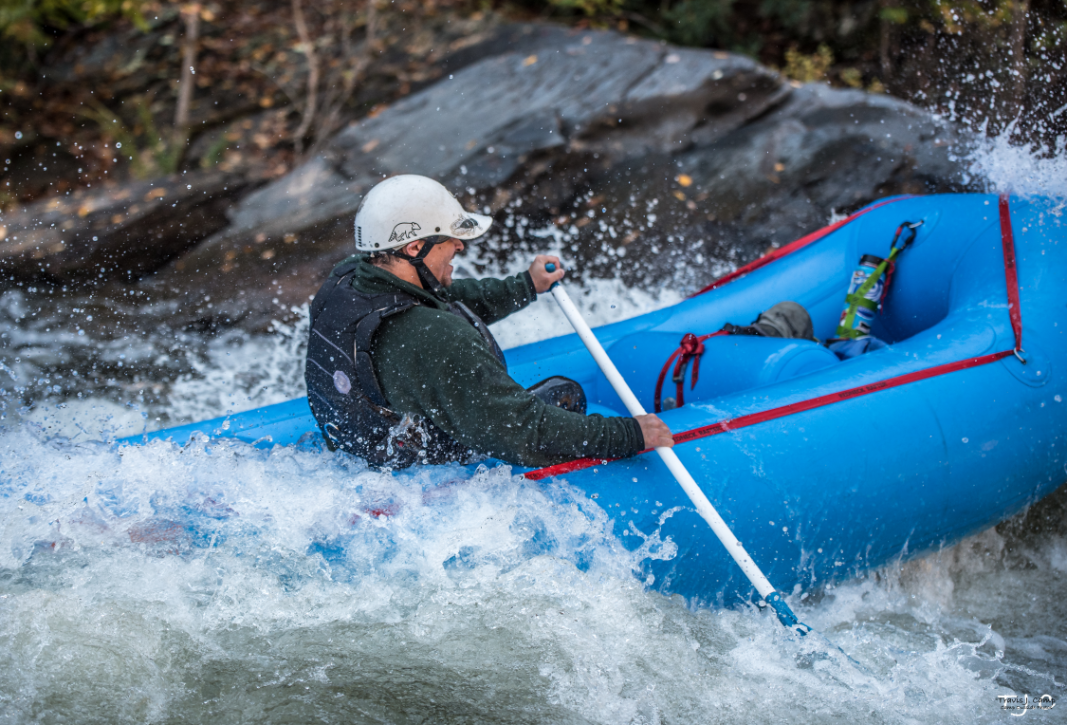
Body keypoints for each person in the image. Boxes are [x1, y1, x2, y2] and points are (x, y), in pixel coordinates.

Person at [305, 174, 674, 469]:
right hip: (426, 476)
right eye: (450, 239)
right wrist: (627, 435)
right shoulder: (433, 337)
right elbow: (524, 432)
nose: (460, 246)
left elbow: (447, 298)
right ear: (415, 248)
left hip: (365, 451)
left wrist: (526, 285)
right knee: (567, 394)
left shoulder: (348, 279)